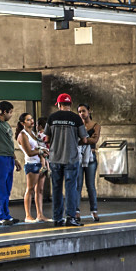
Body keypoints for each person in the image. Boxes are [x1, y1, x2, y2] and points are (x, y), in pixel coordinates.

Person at [46, 93, 88, 227]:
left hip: (55, 158)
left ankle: (57, 218)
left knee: (56, 188)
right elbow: (85, 139)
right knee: (71, 188)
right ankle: (70, 217)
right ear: (70, 104)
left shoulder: (52, 118)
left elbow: (46, 138)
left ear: (59, 105)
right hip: (71, 158)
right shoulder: (76, 118)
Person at [0, 101, 22, 225]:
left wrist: (15, 159)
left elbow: (9, 143)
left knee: (6, 189)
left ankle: (6, 215)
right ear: (4, 112)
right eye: (10, 112)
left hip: (8, 158)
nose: (11, 115)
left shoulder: (6, 126)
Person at [15, 112, 48, 223]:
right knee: (30, 189)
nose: (32, 121)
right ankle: (28, 215)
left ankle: (40, 215)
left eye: (32, 119)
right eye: (28, 119)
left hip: (40, 163)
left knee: (40, 190)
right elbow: (29, 152)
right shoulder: (23, 134)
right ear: (22, 123)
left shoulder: (33, 133)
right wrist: (41, 151)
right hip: (32, 164)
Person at [75, 103, 101, 222]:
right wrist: (86, 140)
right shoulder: (77, 125)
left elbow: (94, 139)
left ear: (89, 111)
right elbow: (76, 140)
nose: (82, 114)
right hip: (78, 157)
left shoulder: (95, 125)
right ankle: (76, 211)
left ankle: (94, 210)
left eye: (83, 111)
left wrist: (82, 140)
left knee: (90, 186)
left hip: (90, 158)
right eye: (79, 112)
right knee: (78, 185)